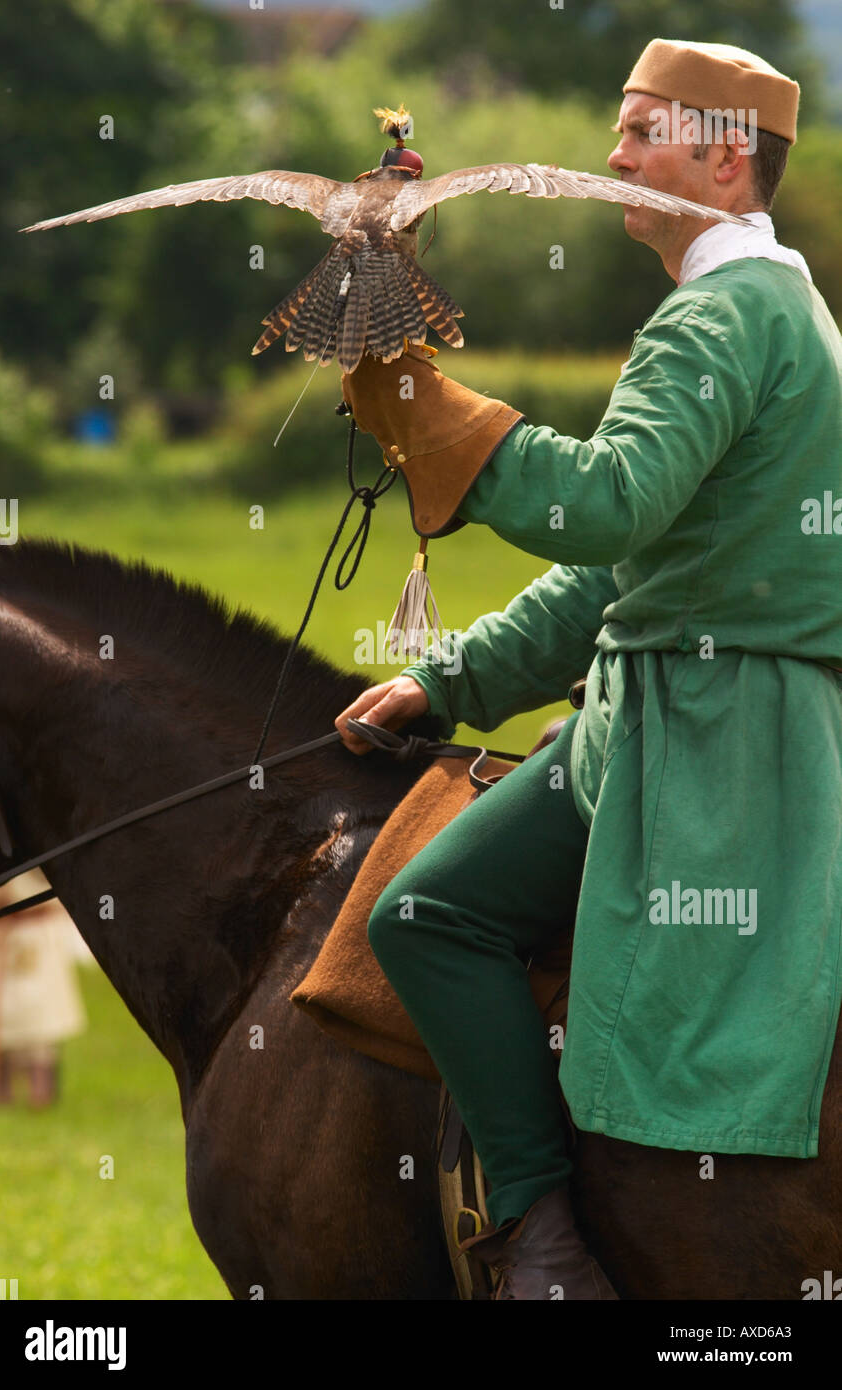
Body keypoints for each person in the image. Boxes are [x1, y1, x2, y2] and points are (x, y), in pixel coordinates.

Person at [334, 39, 842, 1300]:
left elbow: (606, 510)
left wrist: (427, 405)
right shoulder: (785, 307)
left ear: (726, 159)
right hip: (716, 705)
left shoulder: (721, 314)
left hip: (701, 732)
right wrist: (449, 683)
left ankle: (541, 1229)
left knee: (423, 913)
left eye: (643, 129)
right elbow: (638, 575)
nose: (612, 153)